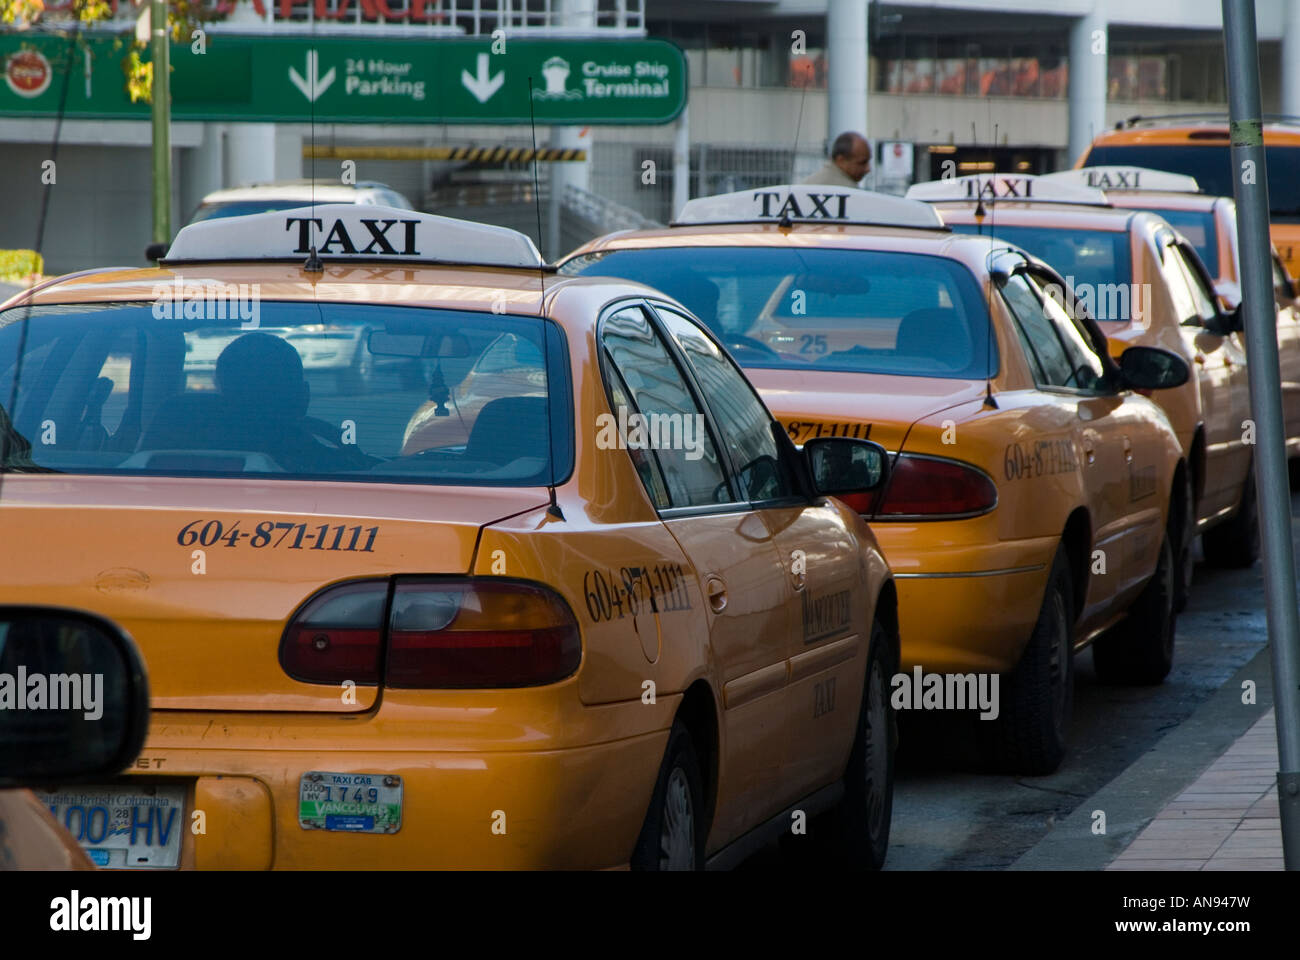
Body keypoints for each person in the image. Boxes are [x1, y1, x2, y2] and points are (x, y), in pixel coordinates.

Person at [802, 132, 871, 188]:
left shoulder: (807, 184)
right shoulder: (848, 191)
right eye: (862, 163)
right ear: (841, 160)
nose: (868, 169)